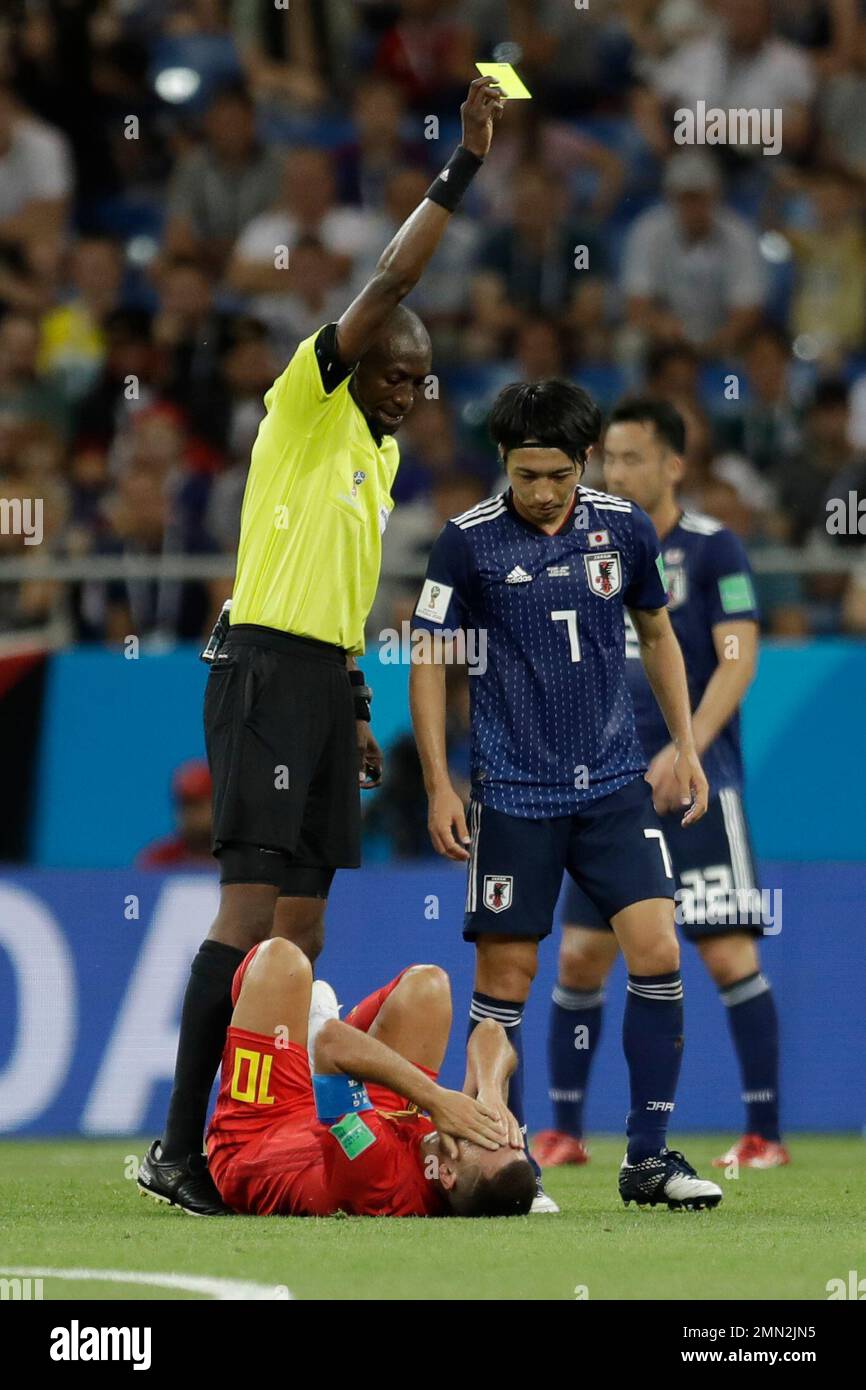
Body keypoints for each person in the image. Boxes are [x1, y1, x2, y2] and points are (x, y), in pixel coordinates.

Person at [138, 76, 506, 1214]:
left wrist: (351, 700)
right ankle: (174, 1147)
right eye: (390, 370)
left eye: (415, 380)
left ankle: (284, 1126)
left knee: (304, 923)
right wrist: (459, 168)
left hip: (315, 675)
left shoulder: (383, 458)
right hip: (254, 665)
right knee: (249, 916)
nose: (402, 391)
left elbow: (342, 593)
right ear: (358, 356)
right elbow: (391, 278)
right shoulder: (310, 397)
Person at [409, 379, 723, 1213]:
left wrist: (685, 748)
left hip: (615, 785)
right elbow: (431, 661)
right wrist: (441, 783)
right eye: (524, 475)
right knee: (507, 977)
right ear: (503, 465)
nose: (542, 492)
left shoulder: (624, 528)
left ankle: (647, 1161)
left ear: (584, 462)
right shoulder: (465, 544)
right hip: (513, 792)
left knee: (658, 950)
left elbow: (656, 634)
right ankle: (515, 1164)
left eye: (556, 474)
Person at [534, 399, 789, 1173]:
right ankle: (566, 1131)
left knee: (725, 955)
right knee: (579, 957)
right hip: (606, 790)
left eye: (632, 458)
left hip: (697, 787)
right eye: (608, 458)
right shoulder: (584, 545)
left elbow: (738, 657)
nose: (617, 472)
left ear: (674, 465)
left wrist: (688, 749)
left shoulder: (713, 550)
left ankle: (764, 1135)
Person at [205, 937, 535, 1218]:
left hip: (261, 1133)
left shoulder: (379, 1178)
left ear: (447, 1175)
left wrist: (435, 1099)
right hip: (376, 1113)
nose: (494, 1131)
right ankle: (321, 1074)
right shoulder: (461, 1140)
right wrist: (491, 1091)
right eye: (508, 1138)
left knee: (282, 960)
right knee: (429, 985)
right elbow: (491, 1032)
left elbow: (330, 1041)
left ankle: (316, 1067)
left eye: (488, 1141)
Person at [137, 761, 214, 868]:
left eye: (198, 805)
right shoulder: (161, 859)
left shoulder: (241, 860)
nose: (190, 814)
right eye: (185, 805)